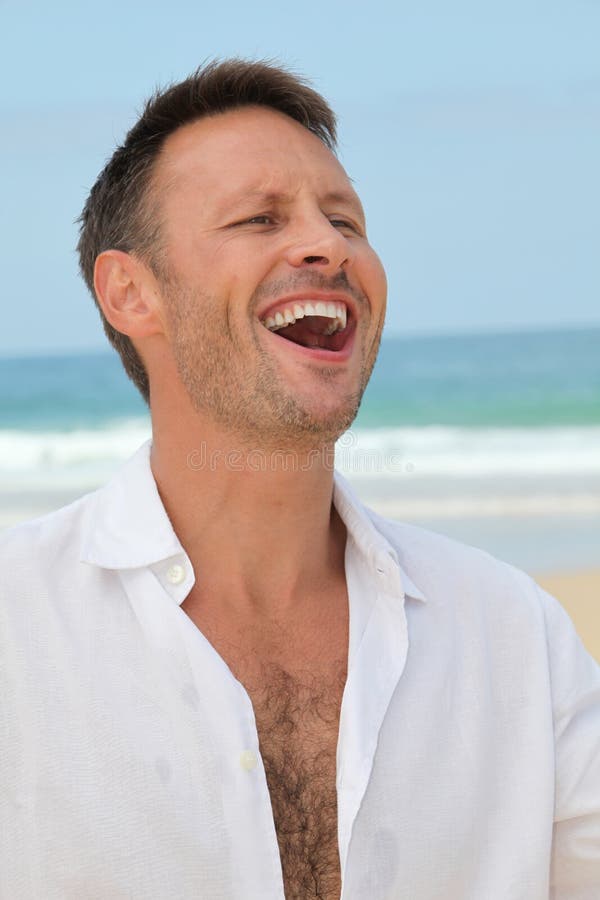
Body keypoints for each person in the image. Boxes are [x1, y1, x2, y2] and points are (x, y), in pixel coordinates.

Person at [1, 59, 599, 900]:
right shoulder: (15, 636)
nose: (328, 245)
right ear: (133, 294)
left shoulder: (514, 636)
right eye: (258, 218)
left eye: (346, 219)